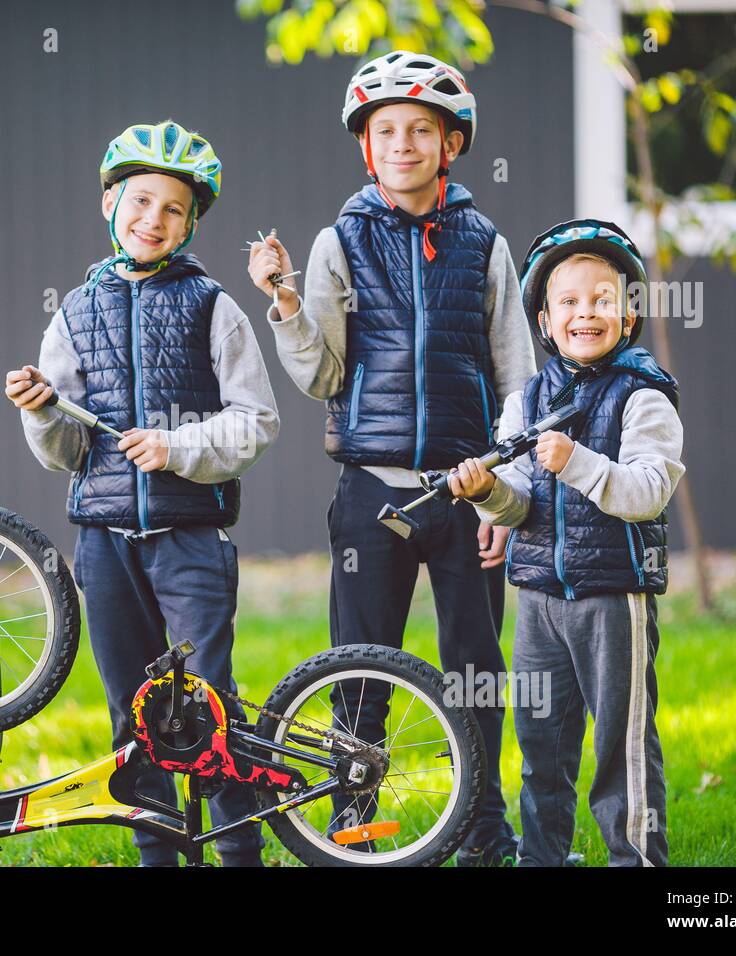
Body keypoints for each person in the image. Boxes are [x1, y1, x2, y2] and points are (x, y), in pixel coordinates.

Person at [247, 51, 536, 865]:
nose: (403, 143)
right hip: (372, 495)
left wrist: (506, 492)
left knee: (475, 668)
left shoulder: (485, 244)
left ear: (452, 145)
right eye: (386, 131)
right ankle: (355, 821)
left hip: (468, 490)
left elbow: (517, 373)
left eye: (422, 130)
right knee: (362, 665)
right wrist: (285, 306)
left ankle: (484, 828)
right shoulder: (339, 242)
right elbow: (323, 376)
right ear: (364, 148)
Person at [6, 120, 280, 866]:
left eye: (172, 209)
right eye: (140, 201)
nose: (152, 220)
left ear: (192, 223)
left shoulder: (213, 307)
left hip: (190, 536)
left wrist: (177, 447)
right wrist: (40, 411)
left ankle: (238, 853)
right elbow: (65, 450)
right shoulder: (72, 313)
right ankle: (162, 857)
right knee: (134, 718)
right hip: (103, 543)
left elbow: (257, 422)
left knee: (204, 712)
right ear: (109, 204)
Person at [448, 219, 683, 866]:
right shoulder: (527, 400)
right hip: (540, 599)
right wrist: (483, 494)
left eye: (602, 300)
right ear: (546, 322)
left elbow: (647, 492)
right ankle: (541, 856)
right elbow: (517, 499)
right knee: (542, 744)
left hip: (613, 596)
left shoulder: (644, 397)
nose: (586, 313)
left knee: (621, 743)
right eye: (569, 303)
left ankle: (634, 856)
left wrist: (576, 460)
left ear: (628, 316)